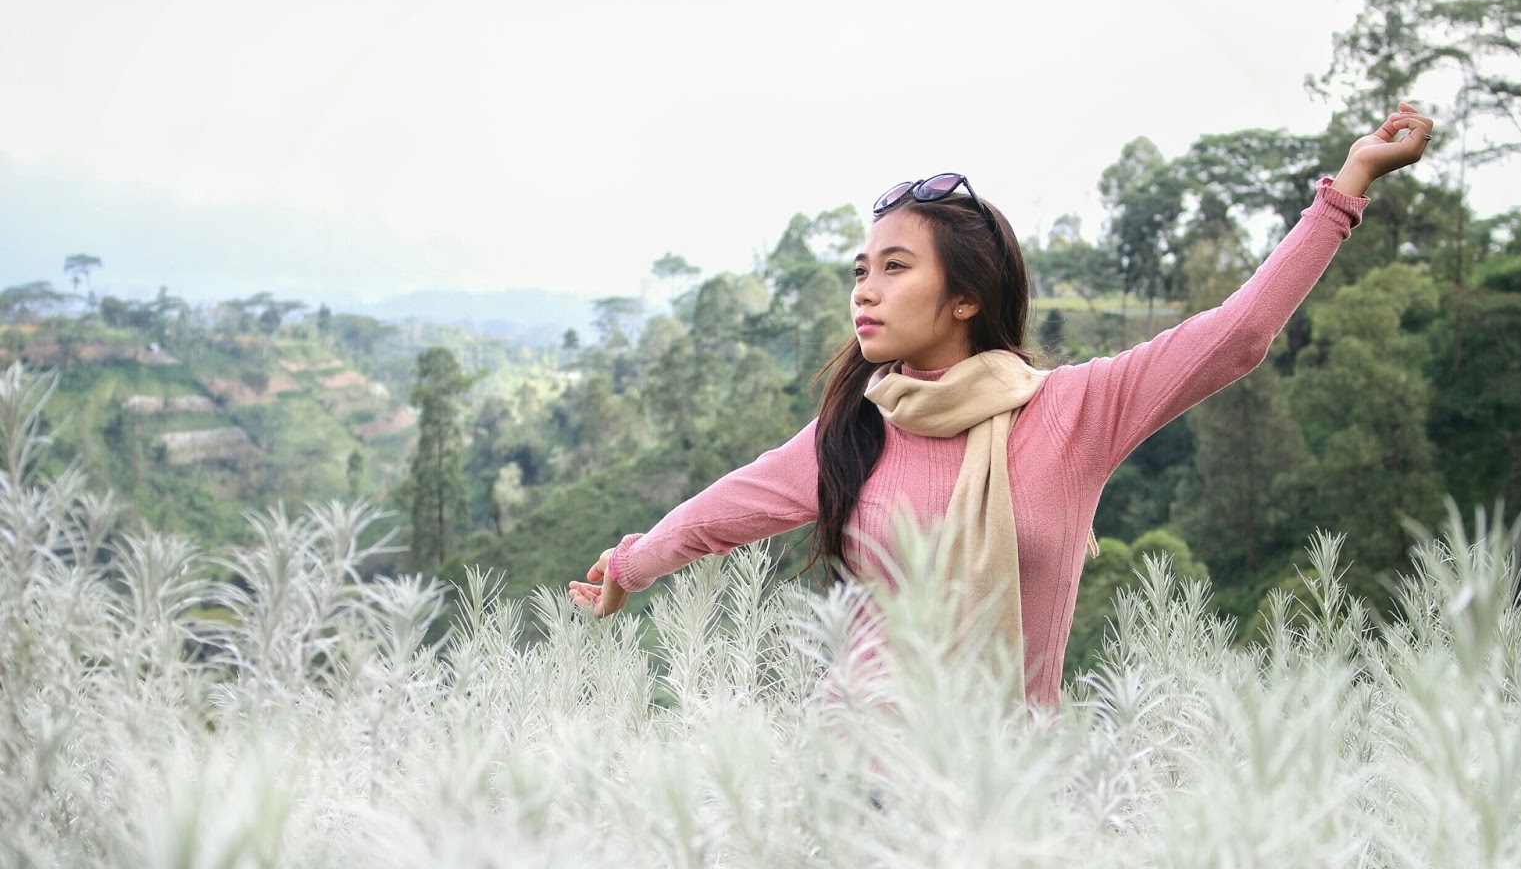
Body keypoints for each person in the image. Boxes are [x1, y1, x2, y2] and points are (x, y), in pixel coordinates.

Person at [569, 104, 1435, 711]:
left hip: (1009, 792)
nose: (865, 292)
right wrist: (628, 567)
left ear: (966, 298)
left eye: (895, 268)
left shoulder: (1075, 413)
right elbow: (723, 510)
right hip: (859, 777)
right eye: (861, 271)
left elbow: (1236, 336)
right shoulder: (858, 428)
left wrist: (1348, 187)